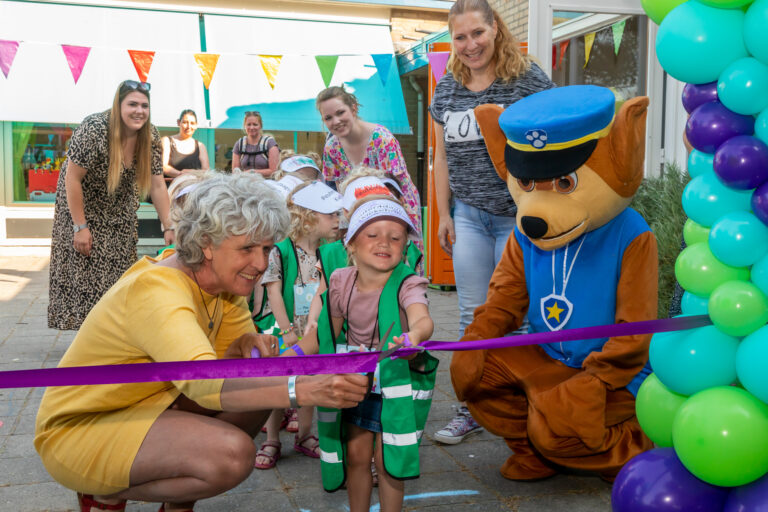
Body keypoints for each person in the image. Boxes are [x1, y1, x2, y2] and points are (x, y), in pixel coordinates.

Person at [34, 172, 369, 512]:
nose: (260, 263)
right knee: (233, 455)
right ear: (207, 244)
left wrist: (251, 350)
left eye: (266, 248)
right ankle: (103, 494)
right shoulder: (158, 289)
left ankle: (176, 506)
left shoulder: (224, 285)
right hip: (79, 429)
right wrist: (304, 389)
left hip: (148, 408)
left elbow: (236, 372)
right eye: (247, 248)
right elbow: (206, 385)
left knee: (257, 389)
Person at [428, 0, 555, 444]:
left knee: (517, 318)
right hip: (468, 217)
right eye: (460, 37)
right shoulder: (447, 89)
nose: (469, 45)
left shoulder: (528, 80)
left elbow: (553, 143)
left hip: (518, 221)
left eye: (477, 33)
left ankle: (519, 410)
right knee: (471, 316)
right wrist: (445, 214)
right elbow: (442, 158)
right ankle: (472, 407)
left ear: (495, 29)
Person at [291, 196, 437, 512]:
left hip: (396, 387)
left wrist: (413, 336)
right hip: (356, 383)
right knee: (357, 456)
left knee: (388, 462)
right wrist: (291, 355)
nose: (384, 242)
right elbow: (325, 336)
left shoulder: (408, 283)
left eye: (395, 237)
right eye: (372, 234)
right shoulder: (341, 281)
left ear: (404, 247)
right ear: (352, 244)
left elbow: (422, 318)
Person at [48, 80, 175, 330]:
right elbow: (71, 178)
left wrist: (169, 225)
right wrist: (80, 227)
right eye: (132, 104)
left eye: (144, 105)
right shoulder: (94, 129)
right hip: (82, 208)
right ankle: (88, 339)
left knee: (121, 274)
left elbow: (158, 185)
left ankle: (114, 333)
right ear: (118, 105)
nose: (139, 110)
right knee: (86, 278)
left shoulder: (150, 135)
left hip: (119, 210)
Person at [254, 180, 342, 470]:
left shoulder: (330, 251)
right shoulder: (280, 250)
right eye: (331, 215)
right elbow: (273, 292)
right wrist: (287, 330)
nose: (337, 220)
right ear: (308, 216)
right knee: (278, 382)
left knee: (308, 382)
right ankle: (273, 439)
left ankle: (305, 435)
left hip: (312, 330)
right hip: (284, 329)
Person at [316, 86, 423, 248]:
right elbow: (340, 191)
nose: (336, 121)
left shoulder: (382, 139)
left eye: (340, 113)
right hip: (358, 212)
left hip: (398, 205)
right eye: (328, 117)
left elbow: (395, 188)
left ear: (353, 109)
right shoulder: (332, 147)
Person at [161, 109, 210, 182]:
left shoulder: (201, 146)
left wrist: (191, 173)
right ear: (178, 122)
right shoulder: (166, 141)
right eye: (185, 122)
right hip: (171, 190)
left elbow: (206, 171)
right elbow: (163, 167)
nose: (188, 126)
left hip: (194, 190)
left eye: (192, 123)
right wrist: (181, 174)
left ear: (196, 125)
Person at [232, 111, 279, 176]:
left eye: (255, 124)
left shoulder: (269, 143)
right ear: (244, 126)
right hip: (244, 184)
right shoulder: (239, 144)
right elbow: (235, 172)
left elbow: (274, 171)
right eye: (248, 124)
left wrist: (252, 172)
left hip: (266, 184)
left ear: (260, 126)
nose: (251, 127)